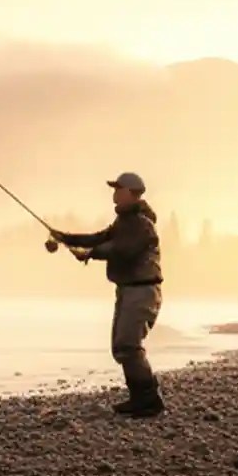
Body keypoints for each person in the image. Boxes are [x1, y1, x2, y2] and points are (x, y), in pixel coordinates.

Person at [50, 172, 165, 418]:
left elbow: (122, 250)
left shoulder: (142, 224)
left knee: (128, 345)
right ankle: (142, 398)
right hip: (130, 290)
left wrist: (90, 253)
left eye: (118, 189)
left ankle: (147, 401)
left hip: (142, 291)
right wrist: (64, 238)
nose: (114, 194)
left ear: (132, 194)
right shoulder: (124, 223)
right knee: (122, 346)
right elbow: (100, 238)